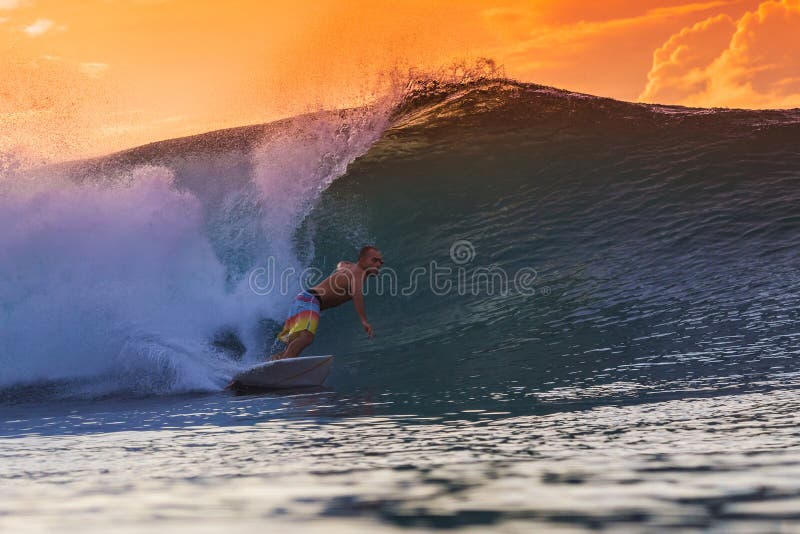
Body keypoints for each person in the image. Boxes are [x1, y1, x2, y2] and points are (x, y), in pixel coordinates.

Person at [270, 246, 383, 360]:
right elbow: (357, 295)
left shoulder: (350, 268)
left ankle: (274, 362)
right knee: (306, 338)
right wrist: (364, 320)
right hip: (311, 300)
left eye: (381, 262)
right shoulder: (358, 273)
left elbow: (341, 264)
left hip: (302, 299)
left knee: (295, 341)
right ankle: (286, 363)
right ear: (362, 260)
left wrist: (344, 266)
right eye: (374, 260)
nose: (378, 264)